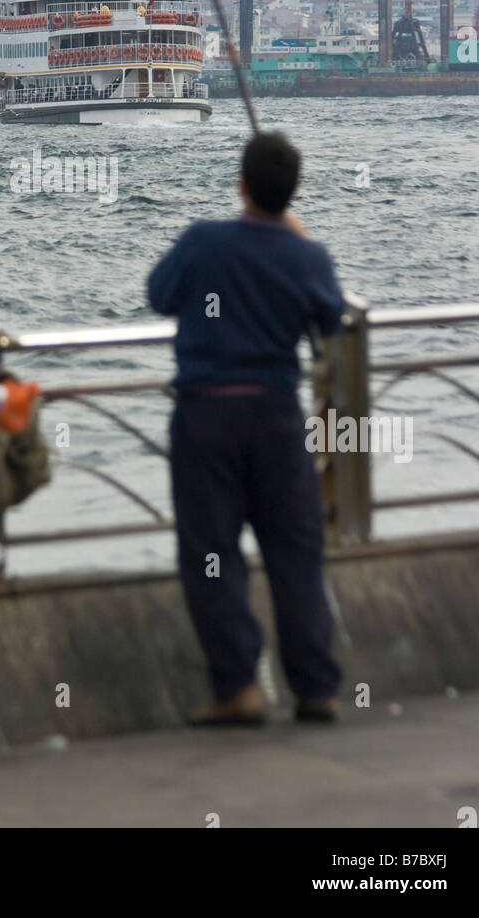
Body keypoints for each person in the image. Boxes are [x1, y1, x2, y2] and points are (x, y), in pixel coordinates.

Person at [147, 131, 345, 726]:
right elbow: (331, 319)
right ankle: (316, 687)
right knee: (295, 549)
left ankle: (239, 686)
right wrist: (300, 244)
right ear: (292, 194)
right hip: (278, 417)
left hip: (207, 415)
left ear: (241, 185)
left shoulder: (203, 241)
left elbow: (158, 295)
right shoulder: (305, 255)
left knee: (211, 551)